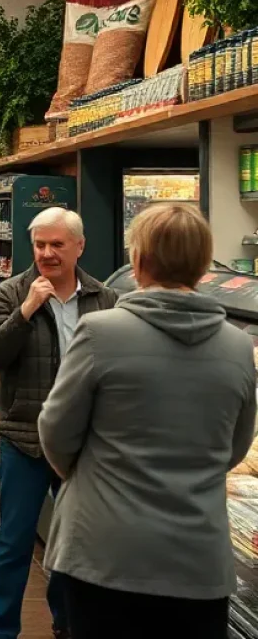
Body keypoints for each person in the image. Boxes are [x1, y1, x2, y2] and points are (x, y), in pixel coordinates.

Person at [39, 203, 256, 639]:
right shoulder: (237, 346)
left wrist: (92, 478)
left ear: (137, 262)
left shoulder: (101, 331)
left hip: (106, 555)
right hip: (198, 561)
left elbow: (56, 431)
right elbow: (236, 445)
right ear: (201, 267)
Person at [0, 207, 117, 639]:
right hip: (26, 437)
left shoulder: (103, 299)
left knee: (76, 544)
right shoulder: (10, 292)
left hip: (81, 445)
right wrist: (26, 310)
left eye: (57, 244)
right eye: (40, 245)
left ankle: (67, 622)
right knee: (13, 541)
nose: (47, 253)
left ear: (79, 246)